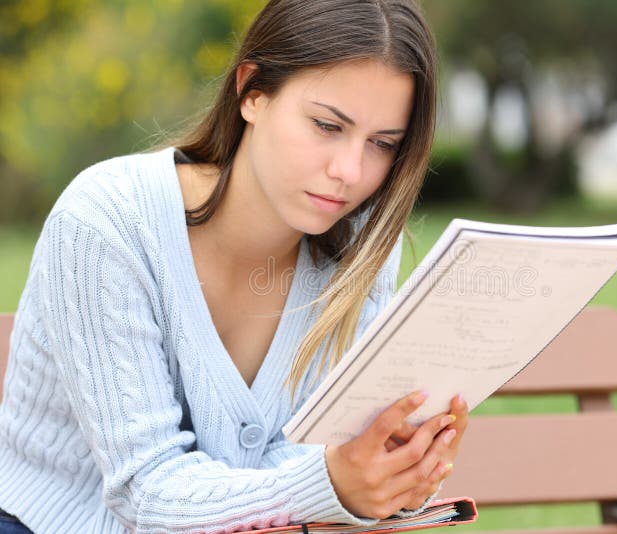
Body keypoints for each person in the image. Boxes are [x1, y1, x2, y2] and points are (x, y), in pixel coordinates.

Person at [0, 1, 469, 532]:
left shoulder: (361, 249)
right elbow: (148, 491)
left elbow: (319, 458)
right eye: (325, 125)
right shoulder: (107, 224)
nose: (349, 171)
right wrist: (333, 482)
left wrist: (390, 470)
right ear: (253, 92)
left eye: (383, 144)